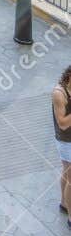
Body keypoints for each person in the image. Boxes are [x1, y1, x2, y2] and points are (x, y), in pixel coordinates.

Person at [53, 68, 71, 225]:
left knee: (67, 171)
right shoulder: (59, 93)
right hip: (67, 141)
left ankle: (64, 204)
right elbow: (63, 123)